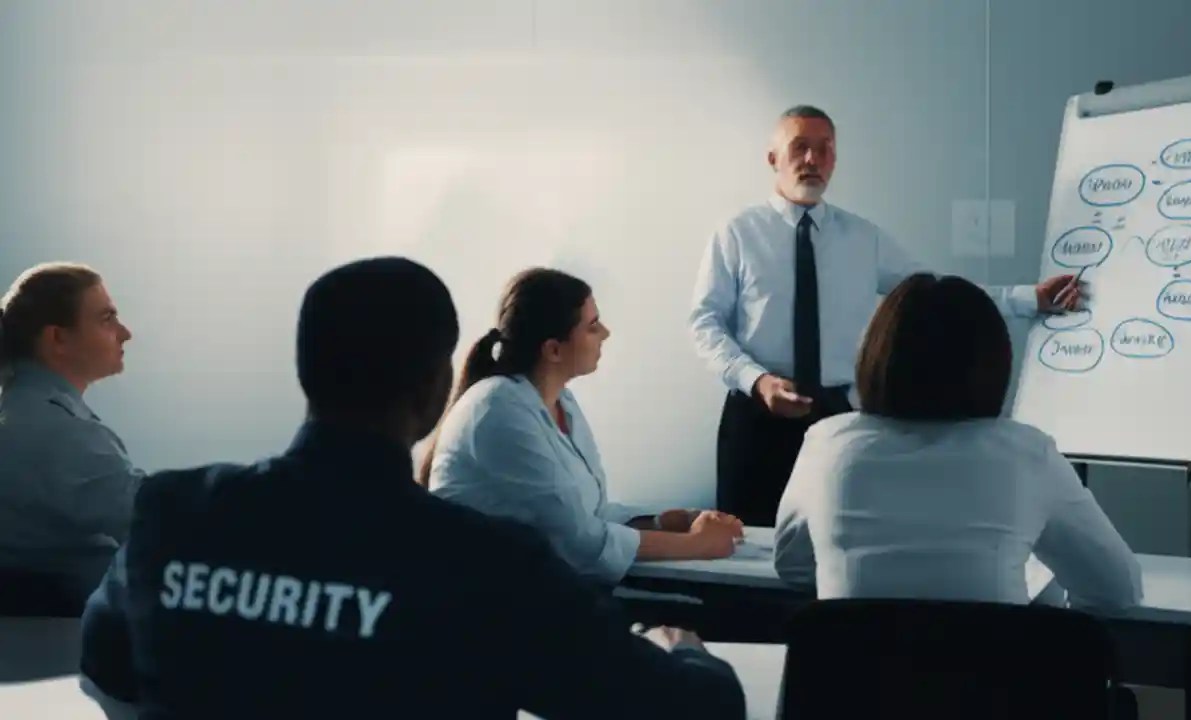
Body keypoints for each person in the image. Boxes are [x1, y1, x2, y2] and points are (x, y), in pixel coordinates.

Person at [79, 257, 746, 719]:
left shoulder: (173, 516)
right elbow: (693, 711)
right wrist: (686, 652)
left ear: (305, 371)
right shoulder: (490, 569)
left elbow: (104, 660)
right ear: (436, 392)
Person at [689, 105, 1085, 526]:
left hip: (838, 419)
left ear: (834, 161)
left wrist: (1028, 299)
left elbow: (935, 291)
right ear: (773, 158)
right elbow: (704, 323)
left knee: (834, 540)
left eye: (824, 150)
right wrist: (758, 381)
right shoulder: (736, 233)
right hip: (756, 417)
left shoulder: (861, 238)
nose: (812, 160)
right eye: (800, 147)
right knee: (743, 545)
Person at [773, 272, 1142, 610]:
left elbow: (792, 566)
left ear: (875, 355)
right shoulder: (1027, 454)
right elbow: (1117, 588)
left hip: (853, 681)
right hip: (992, 680)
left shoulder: (827, 445)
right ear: (993, 364)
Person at [424, 267, 744, 587]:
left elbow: (589, 514)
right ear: (553, 349)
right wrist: (699, 545)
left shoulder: (561, 401)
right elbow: (579, 545)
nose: (605, 333)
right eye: (592, 326)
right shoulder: (498, 410)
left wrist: (665, 521)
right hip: (484, 602)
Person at [0, 262, 143, 609]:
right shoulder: (48, 428)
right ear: (58, 338)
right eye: (106, 319)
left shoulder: (28, 413)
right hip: (68, 637)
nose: (125, 333)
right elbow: (148, 513)